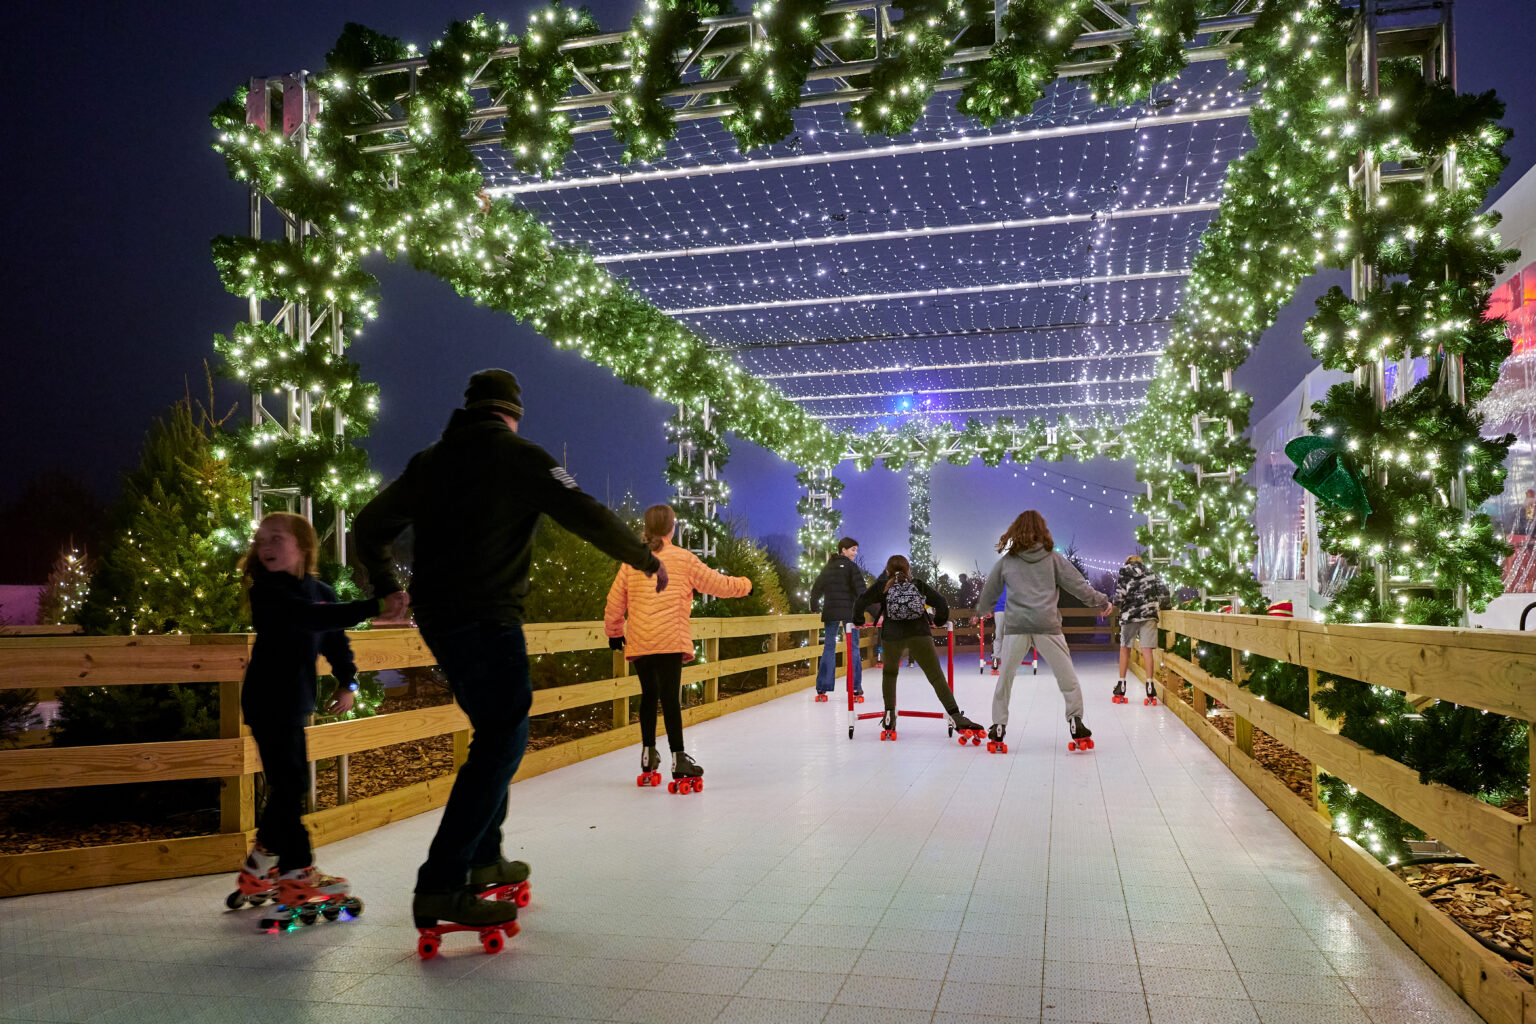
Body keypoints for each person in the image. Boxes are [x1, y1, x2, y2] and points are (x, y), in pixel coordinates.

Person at [354, 369, 667, 932]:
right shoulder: (517, 455)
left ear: (470, 407)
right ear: (513, 413)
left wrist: (386, 584)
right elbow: (586, 513)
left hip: (441, 621)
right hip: (488, 616)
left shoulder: (431, 462)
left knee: (492, 732)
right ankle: (441, 883)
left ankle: (481, 859)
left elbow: (369, 524)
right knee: (505, 733)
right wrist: (644, 558)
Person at [233, 512, 406, 912]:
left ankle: (262, 869)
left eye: (277, 538)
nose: (267, 547)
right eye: (262, 541)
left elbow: (333, 640)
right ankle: (296, 872)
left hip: (294, 702)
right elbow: (310, 617)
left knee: (289, 787)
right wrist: (373, 605)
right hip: (266, 702)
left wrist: (348, 681)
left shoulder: (322, 590)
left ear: (303, 545)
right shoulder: (269, 591)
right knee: (291, 786)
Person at [605, 504, 752, 788]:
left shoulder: (632, 560)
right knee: (670, 698)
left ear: (647, 528)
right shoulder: (683, 559)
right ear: (672, 528)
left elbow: (615, 601)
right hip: (670, 639)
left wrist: (614, 632)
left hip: (641, 640)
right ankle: (679, 758)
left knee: (649, 696)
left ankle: (648, 755)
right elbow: (717, 583)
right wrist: (745, 585)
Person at [978, 511, 1110, 751]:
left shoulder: (1008, 561)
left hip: (1016, 627)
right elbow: (1079, 586)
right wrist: (1102, 601)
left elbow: (989, 592)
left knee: (1005, 679)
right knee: (1067, 678)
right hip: (1047, 626)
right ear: (1043, 531)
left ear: (1015, 531)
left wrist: (983, 610)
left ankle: (998, 726)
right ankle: (1075, 721)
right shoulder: (1053, 559)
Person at [852, 555, 984, 739]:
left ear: (888, 571)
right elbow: (941, 602)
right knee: (936, 676)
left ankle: (889, 714)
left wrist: (858, 620)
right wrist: (939, 621)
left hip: (892, 637)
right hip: (919, 634)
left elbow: (860, 601)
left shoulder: (883, 585)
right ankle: (955, 714)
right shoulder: (918, 584)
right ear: (908, 570)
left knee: (890, 674)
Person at [809, 537, 866, 698]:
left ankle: (822, 687)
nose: (856, 553)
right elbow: (862, 591)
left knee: (828, 647)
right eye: (853, 549)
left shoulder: (828, 568)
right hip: (850, 612)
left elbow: (817, 588)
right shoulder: (851, 567)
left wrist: (814, 606)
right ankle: (855, 687)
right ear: (844, 550)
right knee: (853, 648)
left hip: (831, 612)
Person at [1114, 555, 1169, 703]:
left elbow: (1119, 597)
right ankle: (1150, 685)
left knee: (1125, 648)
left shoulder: (1124, 574)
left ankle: (1121, 685)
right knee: (1147, 650)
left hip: (1129, 616)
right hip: (1149, 615)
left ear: (1127, 563)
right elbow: (1163, 591)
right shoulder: (1151, 573)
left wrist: (1114, 605)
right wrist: (1165, 606)